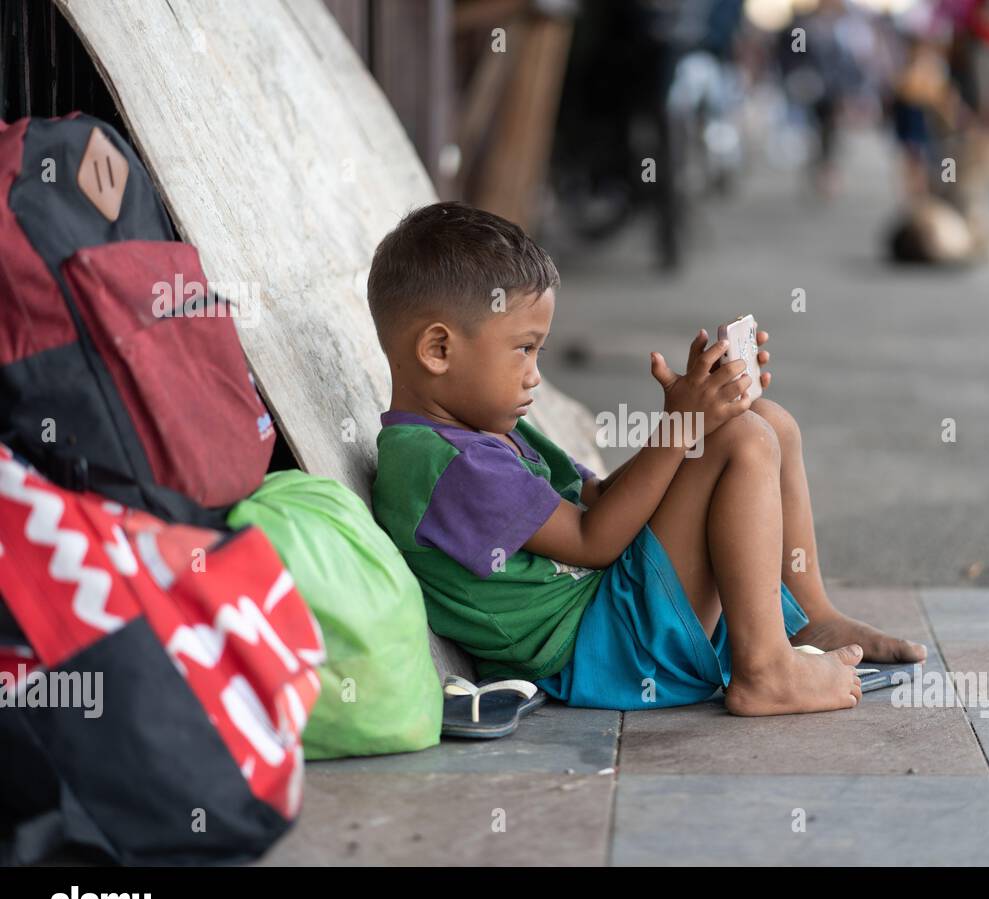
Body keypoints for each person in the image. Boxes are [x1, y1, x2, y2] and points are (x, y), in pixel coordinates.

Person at [368, 202, 925, 717]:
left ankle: (811, 619)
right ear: (438, 349)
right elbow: (594, 541)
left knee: (767, 422)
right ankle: (765, 670)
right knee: (745, 440)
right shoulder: (447, 465)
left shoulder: (483, 432)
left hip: (613, 611)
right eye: (523, 349)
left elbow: (601, 498)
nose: (535, 373)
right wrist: (680, 430)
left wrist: (696, 417)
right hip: (599, 647)